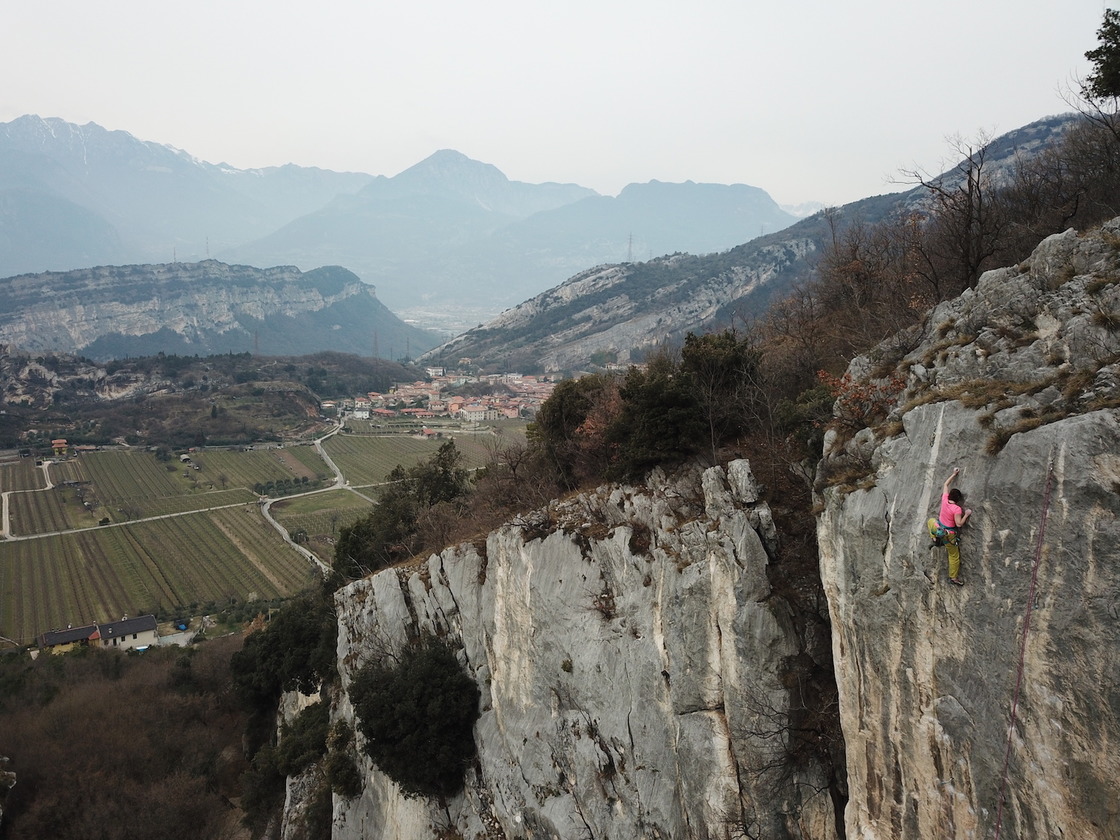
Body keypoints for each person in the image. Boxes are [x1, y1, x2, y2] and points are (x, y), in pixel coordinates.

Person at [928, 468, 972, 585]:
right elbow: (959, 524)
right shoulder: (956, 509)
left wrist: (954, 474)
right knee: (954, 556)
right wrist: (966, 515)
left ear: (949, 496)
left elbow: (945, 484)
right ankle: (953, 578)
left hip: (938, 527)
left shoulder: (944, 499)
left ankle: (934, 537)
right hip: (949, 535)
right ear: (958, 500)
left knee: (930, 521)